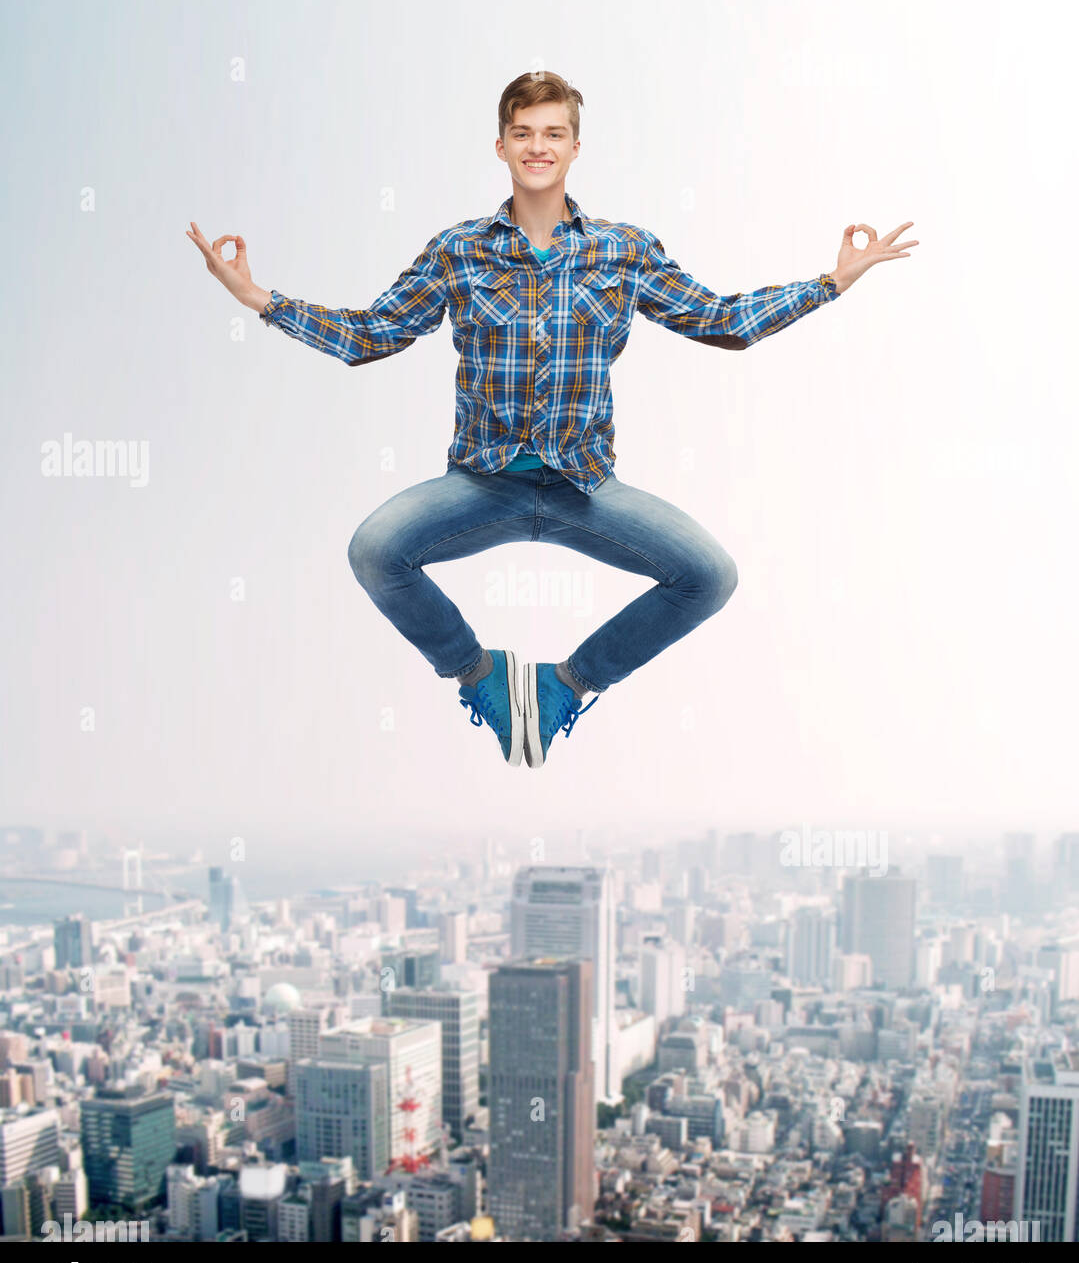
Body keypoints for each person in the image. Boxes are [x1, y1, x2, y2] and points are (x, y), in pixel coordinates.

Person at [187, 70, 916, 769]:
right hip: (483, 485)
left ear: (573, 149)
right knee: (376, 550)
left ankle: (561, 687)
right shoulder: (459, 250)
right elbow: (375, 333)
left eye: (554, 133)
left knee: (708, 576)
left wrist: (830, 283)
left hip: (584, 489)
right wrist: (261, 299)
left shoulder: (621, 250)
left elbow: (720, 321)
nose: (538, 145)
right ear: (500, 147)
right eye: (523, 132)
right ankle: (482, 679)